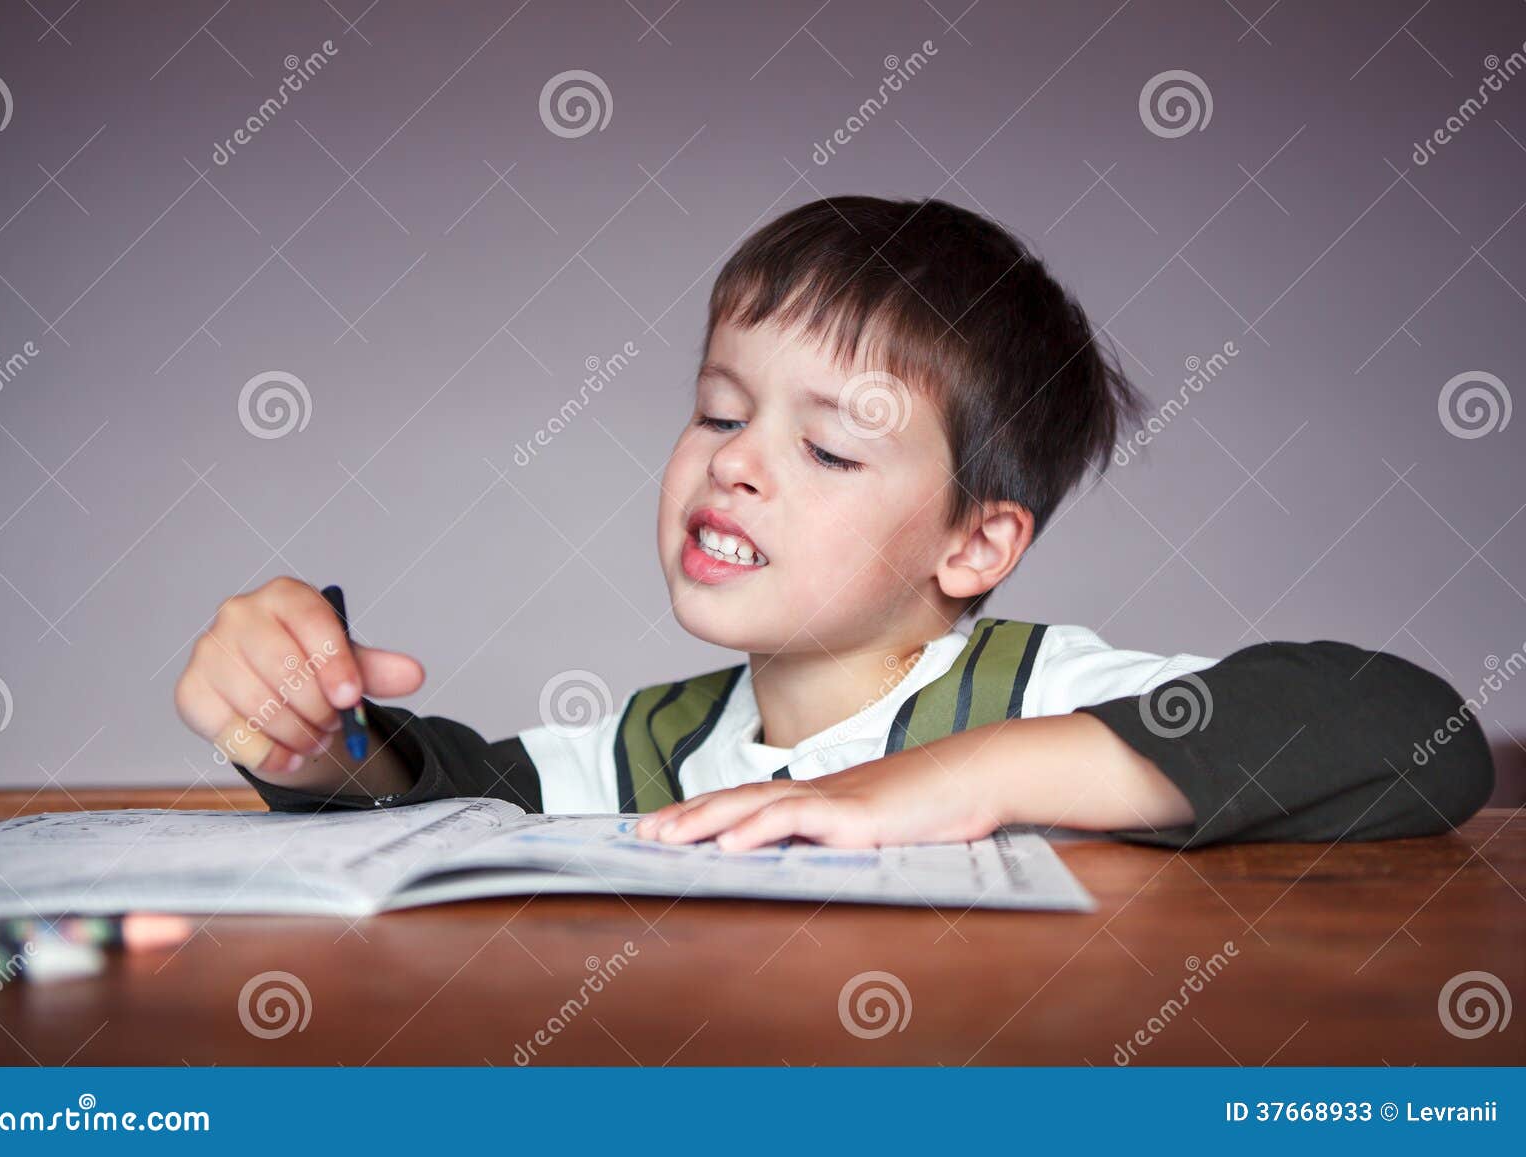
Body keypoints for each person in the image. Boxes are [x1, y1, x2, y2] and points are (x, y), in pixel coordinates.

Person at [172, 196, 1493, 851]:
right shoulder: (652, 749)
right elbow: (456, 804)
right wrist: (320, 739)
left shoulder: (1040, 696)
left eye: (827, 445)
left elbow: (1412, 729)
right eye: (719, 411)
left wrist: (951, 782)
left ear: (974, 545)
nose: (737, 462)